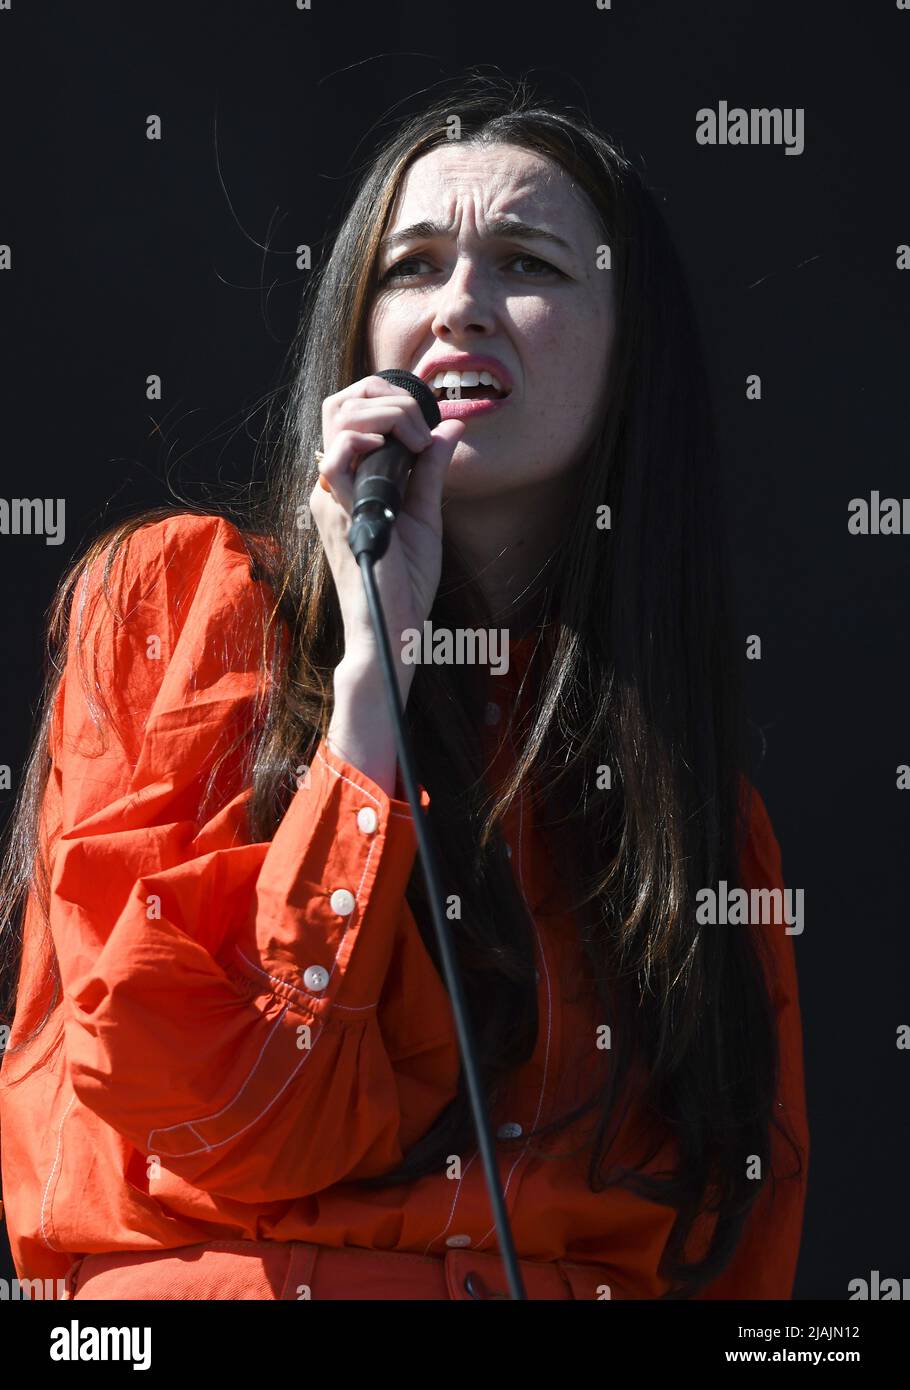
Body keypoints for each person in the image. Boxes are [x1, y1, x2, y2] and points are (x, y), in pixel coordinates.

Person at [0, 73, 808, 1301]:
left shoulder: (693, 815)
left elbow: (741, 1250)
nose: (460, 309)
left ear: (632, 346)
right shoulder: (181, 609)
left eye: (529, 267)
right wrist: (369, 693)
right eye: (412, 267)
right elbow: (226, 1114)